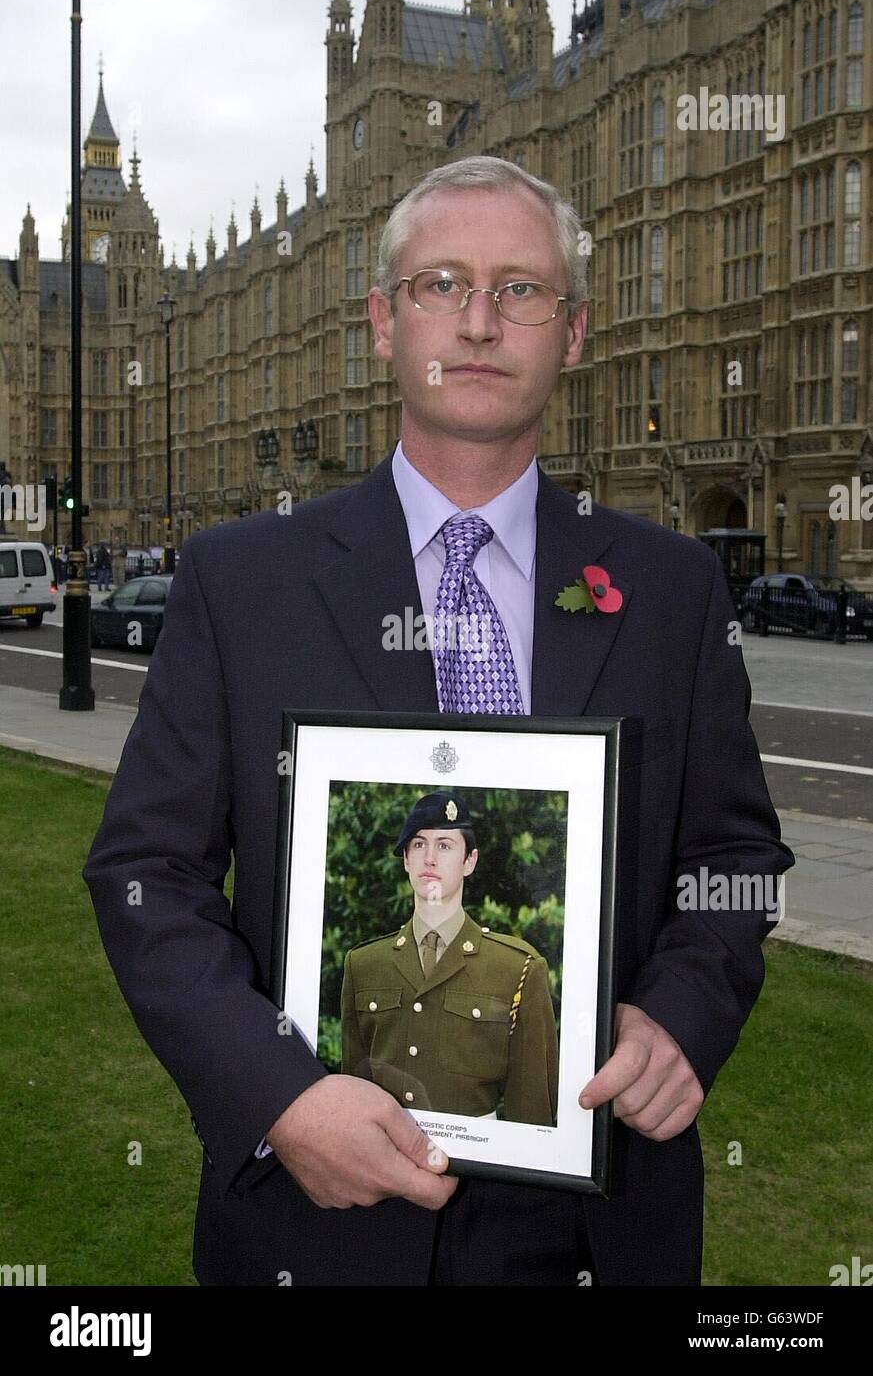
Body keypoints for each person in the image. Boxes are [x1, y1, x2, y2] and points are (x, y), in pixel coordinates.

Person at [83, 155, 794, 1287]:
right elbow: (146, 875)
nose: (477, 321)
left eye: (520, 290)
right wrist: (281, 1094)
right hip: (319, 1228)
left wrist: (681, 1015)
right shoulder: (239, 579)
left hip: (600, 1225)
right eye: (440, 285)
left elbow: (738, 859)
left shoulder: (671, 588)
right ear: (381, 321)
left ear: (571, 332)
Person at [340, 791, 558, 1126]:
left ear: (469, 861)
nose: (429, 858)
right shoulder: (364, 964)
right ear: (405, 861)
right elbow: (354, 1094)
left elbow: (532, 1116)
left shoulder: (517, 968)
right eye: (418, 845)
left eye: (444, 845)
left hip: (480, 1162)